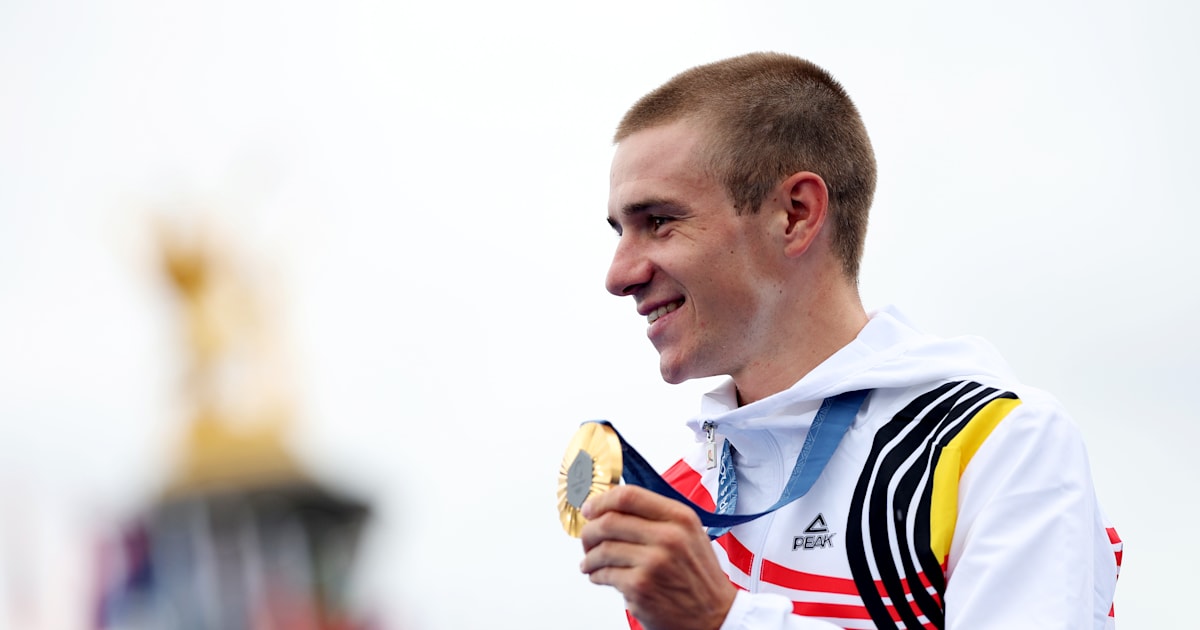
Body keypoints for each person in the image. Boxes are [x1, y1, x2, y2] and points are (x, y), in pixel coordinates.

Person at [578, 52, 1121, 630]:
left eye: (658, 221)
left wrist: (724, 618)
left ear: (795, 214)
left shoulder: (999, 446)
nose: (618, 275)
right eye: (619, 232)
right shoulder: (684, 497)